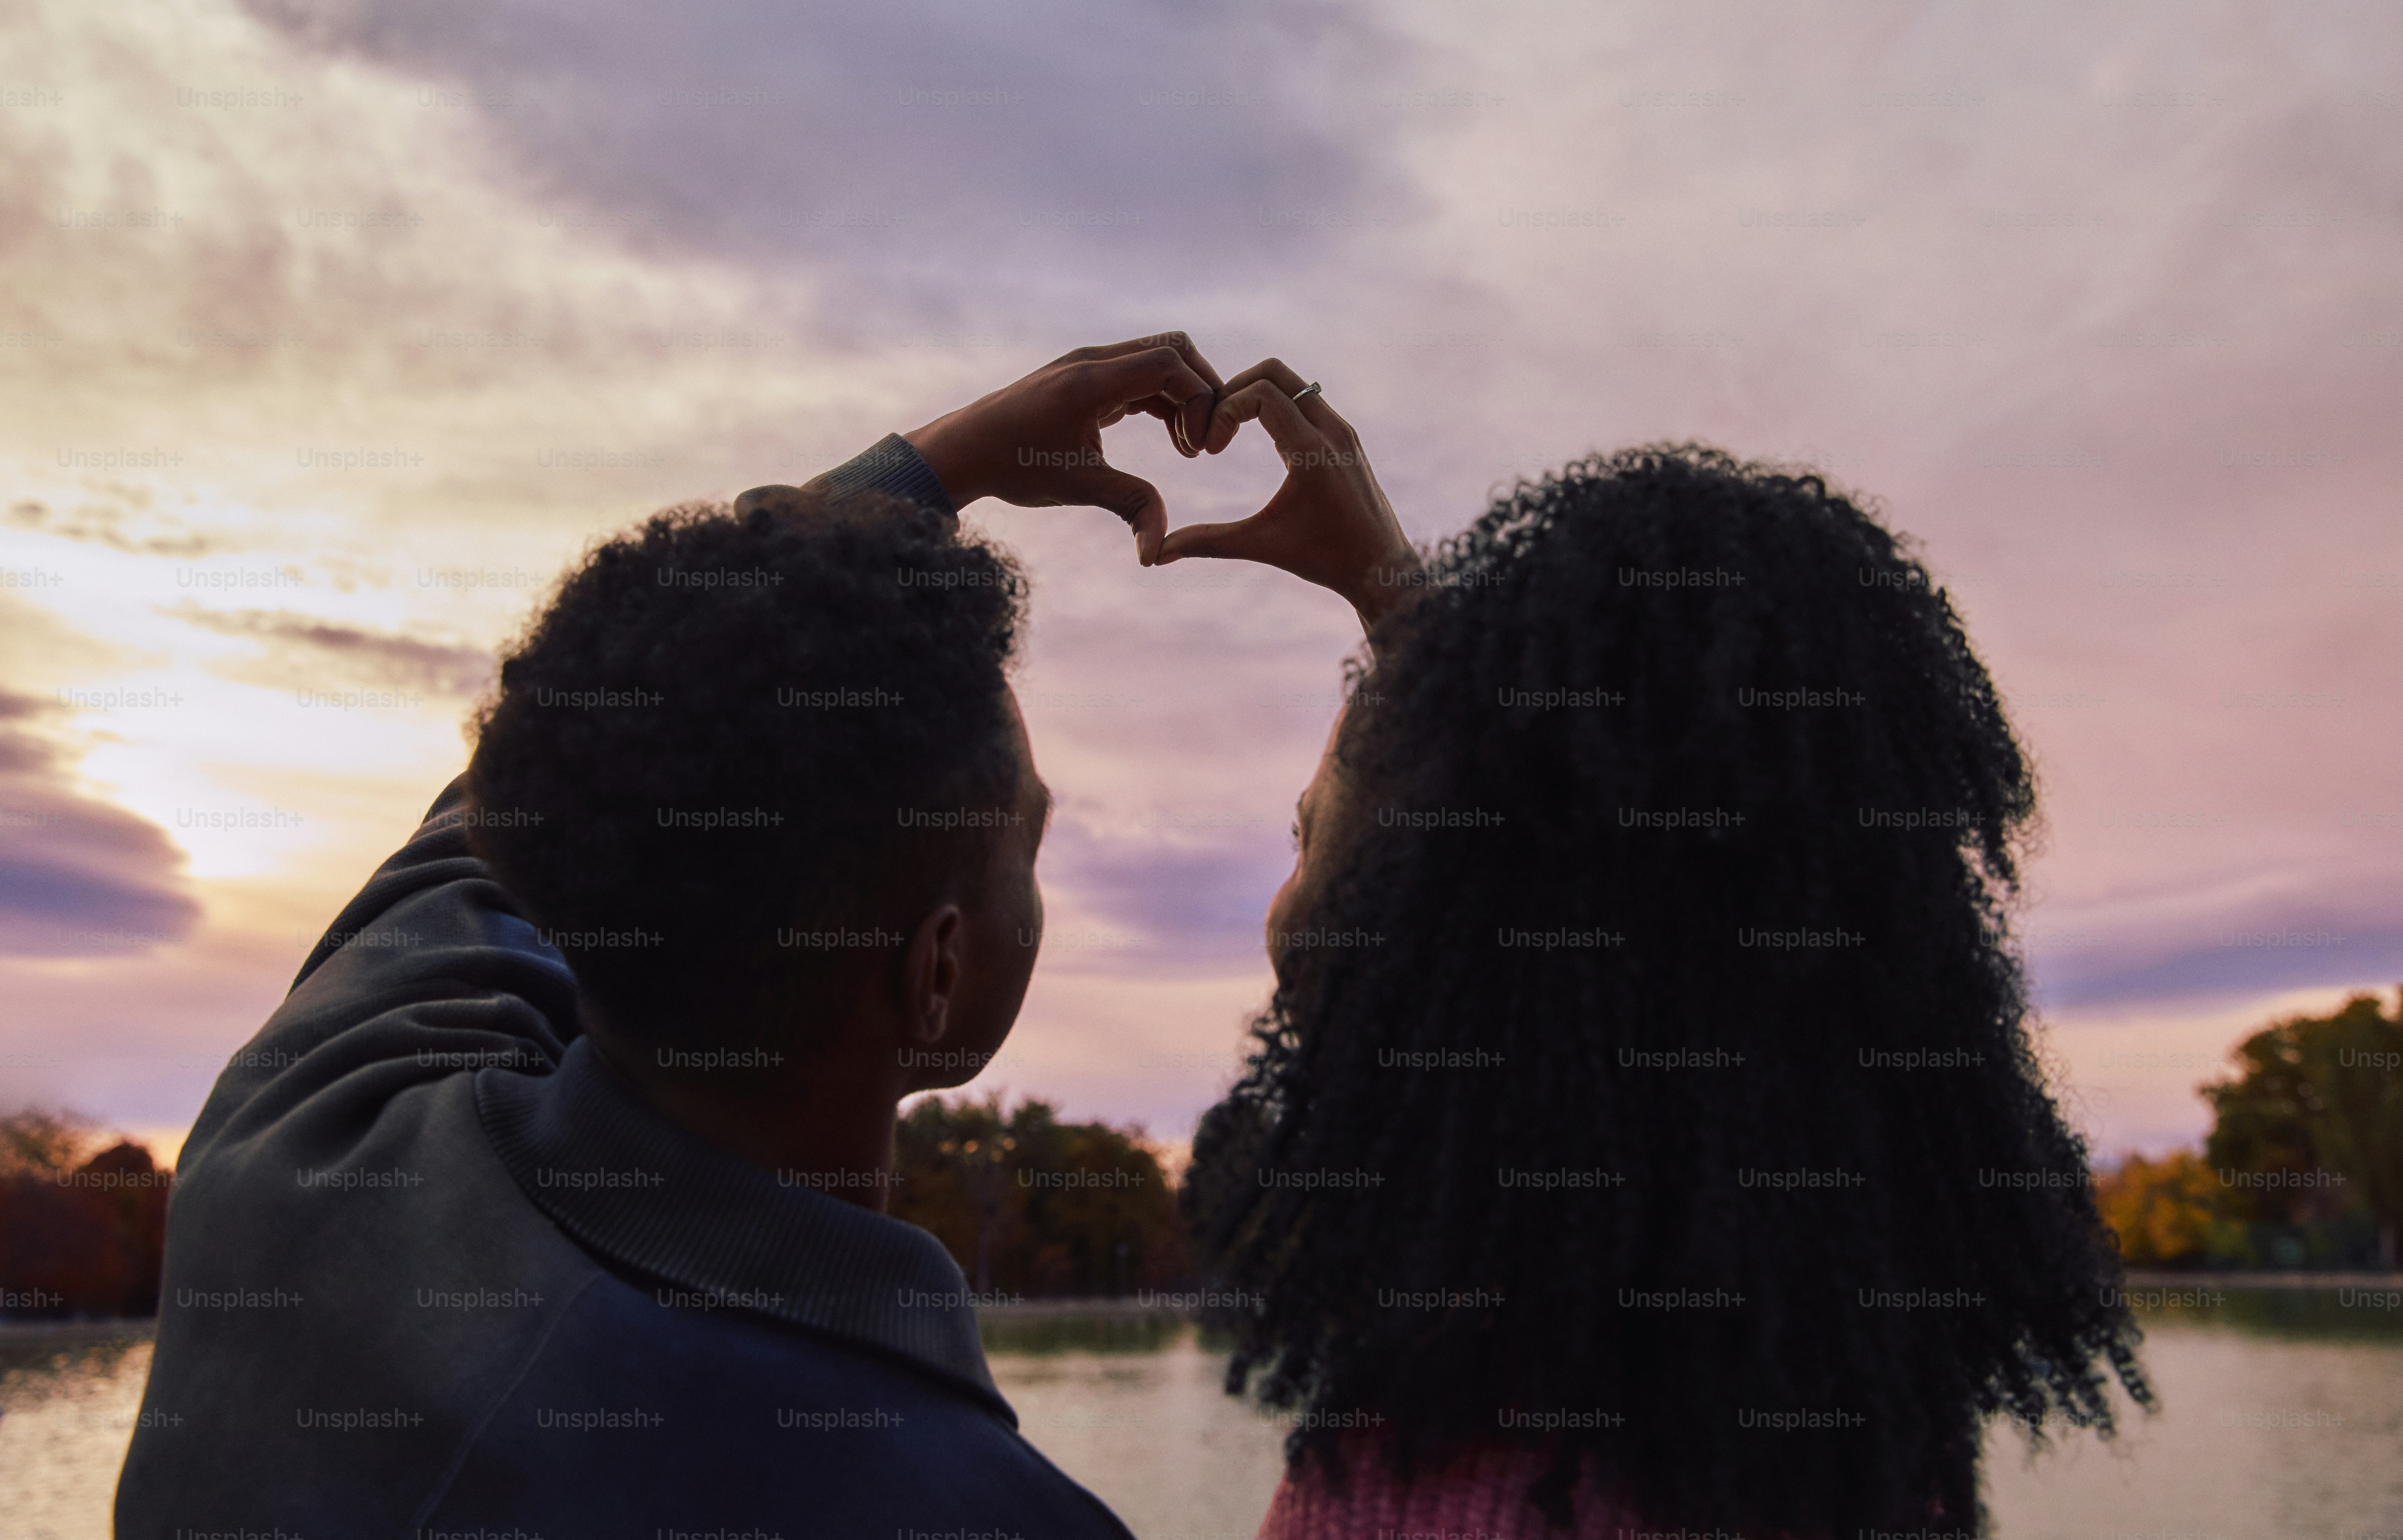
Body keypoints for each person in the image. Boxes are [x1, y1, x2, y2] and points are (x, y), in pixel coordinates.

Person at [115, 334, 1229, 1535]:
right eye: (1030, 841)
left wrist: (936, 469)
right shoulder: (973, 1512)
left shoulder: (301, 1152)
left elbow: (577, 748)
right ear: (939, 971)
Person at [1165, 364, 2154, 1538]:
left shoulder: (1429, 1482)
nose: (1280, 911)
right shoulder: (1854, 1452)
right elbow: (1637, 869)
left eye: (1309, 839)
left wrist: (925, 480)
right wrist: (1423, 632)